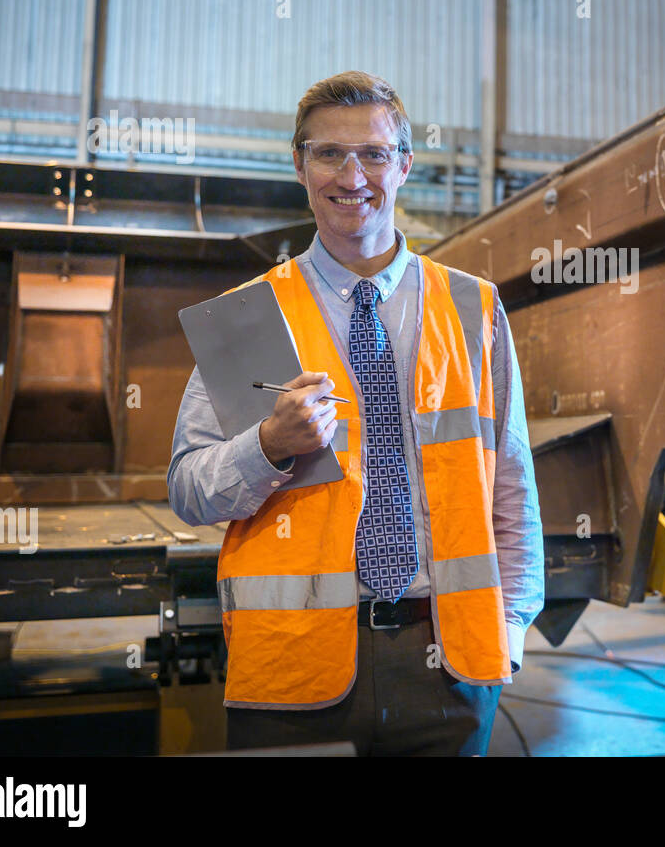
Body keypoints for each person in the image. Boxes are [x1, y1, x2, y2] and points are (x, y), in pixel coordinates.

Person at [167, 70, 543, 756]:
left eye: (372, 153)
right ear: (299, 164)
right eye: (328, 153)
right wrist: (267, 445)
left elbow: (511, 482)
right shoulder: (251, 316)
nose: (352, 174)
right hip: (290, 673)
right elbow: (188, 487)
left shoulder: (472, 308)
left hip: (449, 666)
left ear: (403, 164)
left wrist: (509, 630)